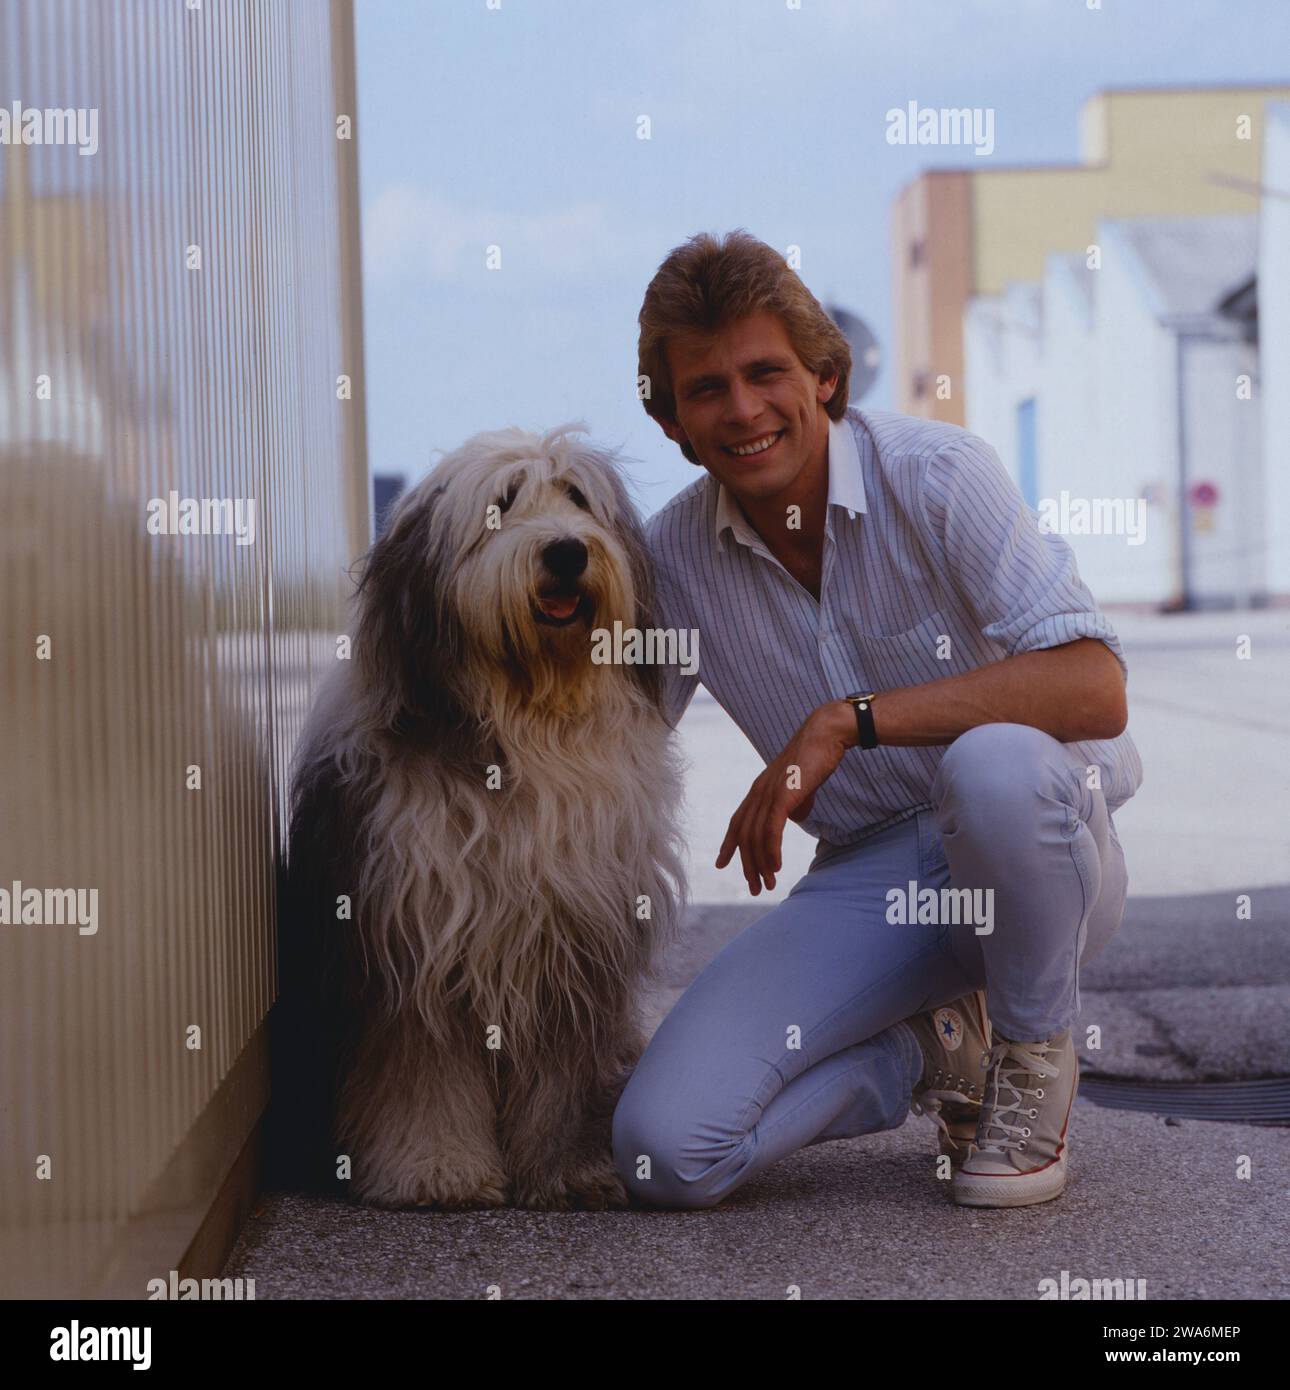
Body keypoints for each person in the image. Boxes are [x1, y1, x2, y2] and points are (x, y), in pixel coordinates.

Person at [611, 229, 1143, 1210]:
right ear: (672, 421)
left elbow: (1093, 686)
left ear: (825, 376)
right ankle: (931, 1053)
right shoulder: (670, 559)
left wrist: (845, 722)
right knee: (663, 1151)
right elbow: (609, 738)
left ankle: (1030, 1058)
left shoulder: (938, 473)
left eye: (766, 373)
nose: (743, 410)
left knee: (992, 766)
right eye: (707, 389)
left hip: (1037, 850)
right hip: (872, 880)